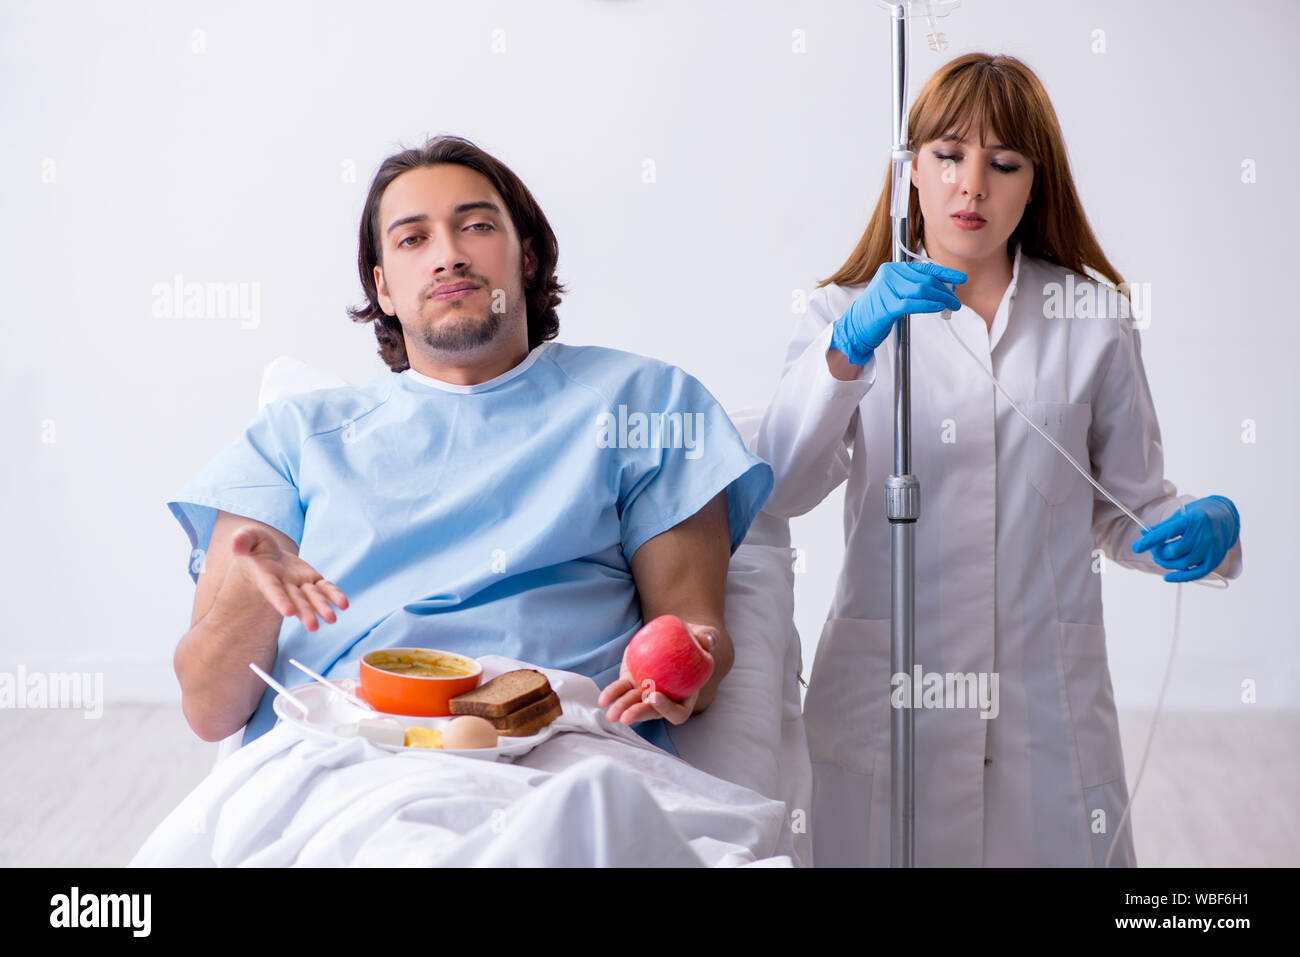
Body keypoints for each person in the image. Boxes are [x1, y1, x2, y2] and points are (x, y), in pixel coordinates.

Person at [752, 53, 1243, 867]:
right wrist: (845, 354)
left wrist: (1200, 530)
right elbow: (785, 485)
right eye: (948, 156)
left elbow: (1125, 510)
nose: (971, 185)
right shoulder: (846, 313)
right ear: (912, 171)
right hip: (888, 695)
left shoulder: (1091, 319)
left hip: (1044, 709)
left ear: (1033, 183)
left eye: (1002, 162)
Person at [169, 135, 772, 756]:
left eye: (477, 226)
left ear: (528, 259)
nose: (449, 256)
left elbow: (695, 633)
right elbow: (211, 711)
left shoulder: (646, 403)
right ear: (383, 288)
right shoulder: (293, 440)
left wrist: (685, 669)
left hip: (567, 754)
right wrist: (252, 592)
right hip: (343, 758)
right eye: (412, 239)